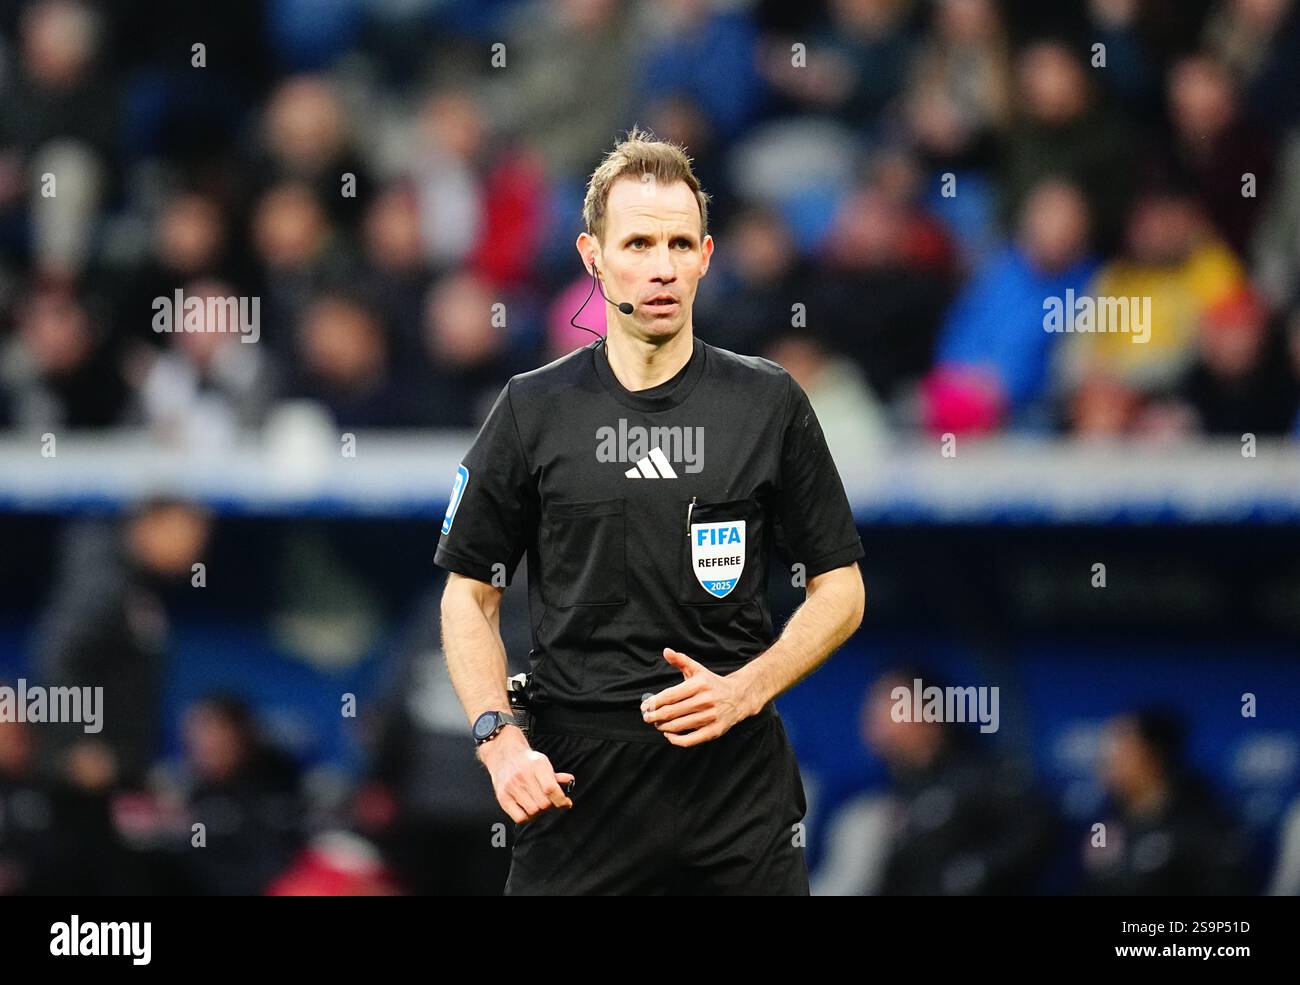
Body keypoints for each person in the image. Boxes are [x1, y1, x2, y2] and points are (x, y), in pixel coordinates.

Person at [435, 127, 866, 895]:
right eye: (637, 242)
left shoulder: (768, 402)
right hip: (576, 784)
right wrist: (499, 741)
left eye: (679, 244)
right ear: (591, 255)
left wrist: (749, 686)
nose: (661, 267)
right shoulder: (533, 409)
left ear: (706, 256)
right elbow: (469, 594)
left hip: (735, 784)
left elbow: (841, 586)